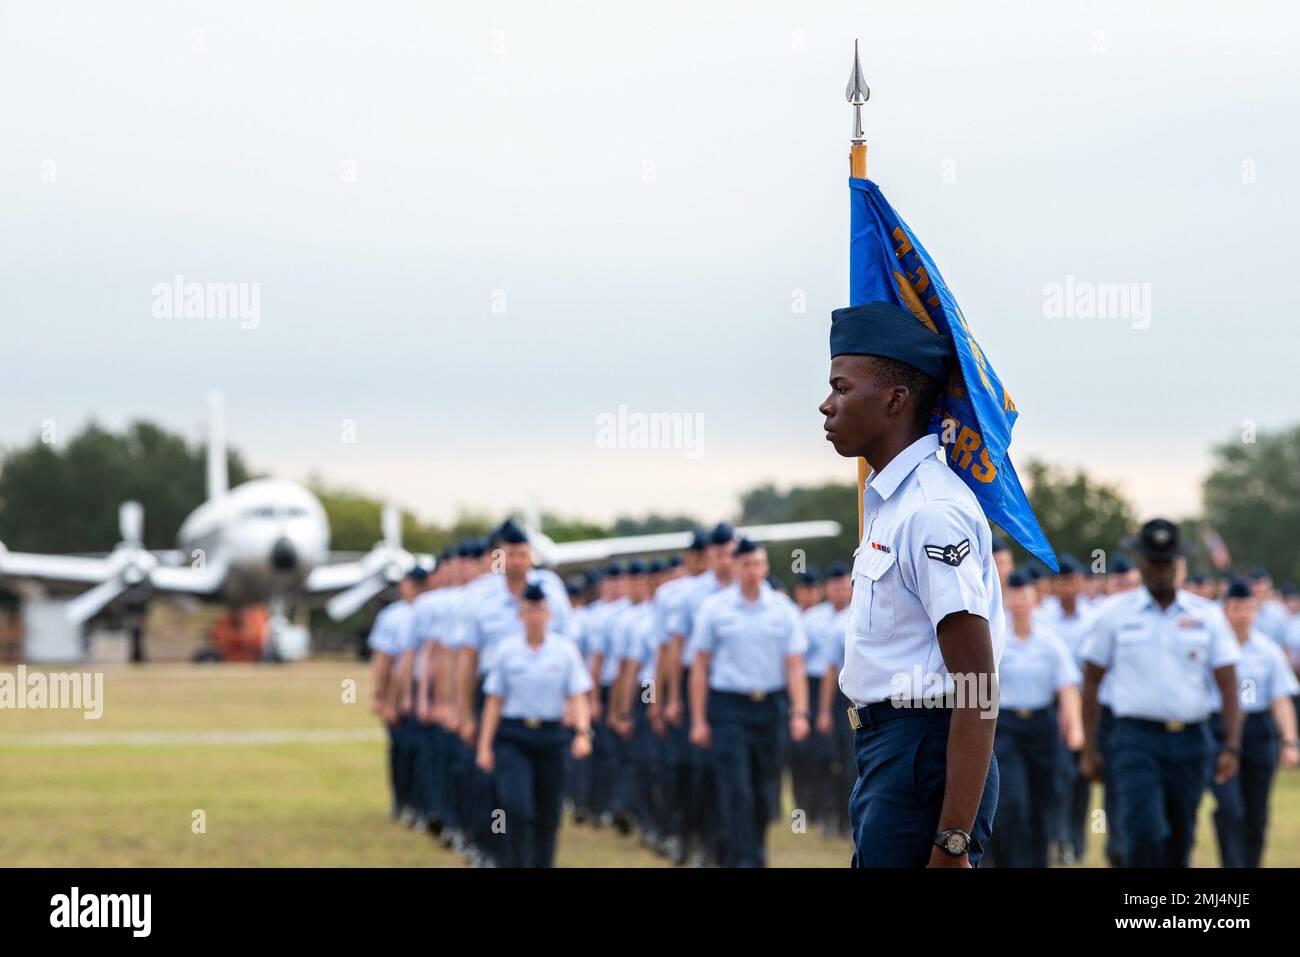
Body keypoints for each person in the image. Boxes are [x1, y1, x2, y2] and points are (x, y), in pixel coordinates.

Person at [819, 300, 1003, 868]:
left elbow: (976, 682)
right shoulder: (891, 505)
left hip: (924, 756)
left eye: (843, 388)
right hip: (891, 752)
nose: (826, 405)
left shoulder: (930, 510)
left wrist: (952, 840)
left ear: (895, 399)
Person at [1080, 518, 1242, 868]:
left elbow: (1228, 681)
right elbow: (1091, 679)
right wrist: (1090, 747)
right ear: (1141, 564)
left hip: (1191, 740)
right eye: (1154, 563)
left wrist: (1231, 743)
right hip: (1135, 739)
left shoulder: (1207, 615)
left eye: (1168, 563)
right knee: (1144, 830)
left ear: (1179, 565)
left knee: (1181, 835)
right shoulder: (1115, 614)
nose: (1162, 571)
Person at [688, 538, 809, 867]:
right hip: (728, 708)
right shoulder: (715, 608)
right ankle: (743, 859)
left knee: (764, 790)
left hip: (769, 708)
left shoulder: (782, 610)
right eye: (746, 565)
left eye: (758, 564)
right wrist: (698, 720)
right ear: (735, 567)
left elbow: (794, 665)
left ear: (765, 567)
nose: (752, 571)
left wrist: (799, 712)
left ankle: (752, 853)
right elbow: (699, 666)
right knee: (736, 788)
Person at [477, 583, 594, 867]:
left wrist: (582, 732)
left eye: (540, 610)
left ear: (549, 614)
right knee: (516, 808)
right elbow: (494, 701)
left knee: (548, 814)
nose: (534, 615)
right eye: (529, 610)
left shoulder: (564, 650)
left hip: (551, 736)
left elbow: (578, 695)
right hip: (514, 736)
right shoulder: (506, 650)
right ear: (520, 614)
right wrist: (484, 746)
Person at [986, 569, 1082, 867]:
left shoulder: (1049, 641)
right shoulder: (995, 638)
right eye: (1013, 595)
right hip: (1007, 729)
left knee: (1043, 802)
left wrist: (1075, 727)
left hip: (1042, 728)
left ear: (1034, 599)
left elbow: (1067, 687)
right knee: (1012, 801)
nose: (1018, 602)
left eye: (1024, 595)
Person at [1207, 579, 1300, 867]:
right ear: (1225, 611)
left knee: (1256, 812)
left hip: (1258, 730)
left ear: (1256, 610)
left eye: (1248, 607)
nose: (1242, 614)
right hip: (1221, 730)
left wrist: (1289, 741)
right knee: (1229, 807)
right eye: (1236, 608)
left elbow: (1281, 699)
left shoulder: (1268, 650)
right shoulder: (1213, 649)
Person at [799, 562, 852, 836]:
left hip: (852, 693)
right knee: (822, 757)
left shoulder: (858, 615)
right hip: (819, 689)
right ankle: (825, 813)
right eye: (834, 586)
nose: (839, 591)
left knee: (850, 760)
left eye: (844, 585)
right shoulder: (813, 618)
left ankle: (846, 818)